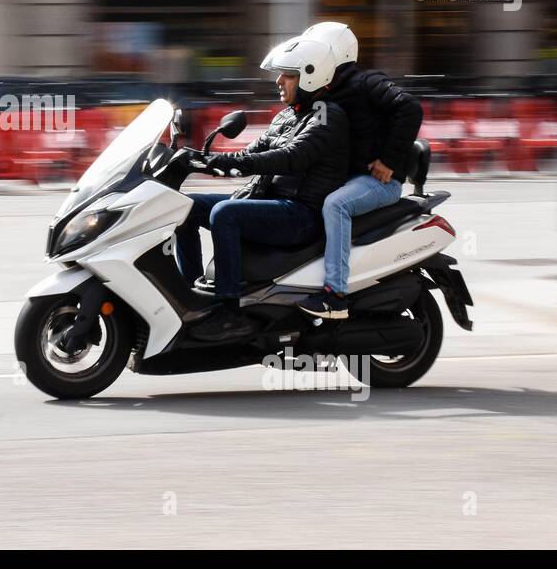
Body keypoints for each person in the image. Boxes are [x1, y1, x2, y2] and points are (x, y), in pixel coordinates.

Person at [180, 36, 349, 344]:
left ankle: (229, 311)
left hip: (300, 213)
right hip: (271, 201)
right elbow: (255, 150)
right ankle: (188, 295)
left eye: (288, 75)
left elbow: (292, 157)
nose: (279, 81)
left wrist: (234, 162)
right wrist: (198, 158)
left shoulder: (327, 115)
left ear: (310, 75)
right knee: (183, 207)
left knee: (225, 214)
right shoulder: (287, 115)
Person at [293, 22, 424, 321]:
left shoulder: (367, 82)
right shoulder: (326, 92)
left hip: (378, 182)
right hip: (351, 178)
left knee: (335, 204)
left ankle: (335, 296)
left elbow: (410, 108)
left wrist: (389, 161)